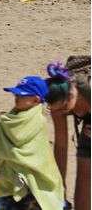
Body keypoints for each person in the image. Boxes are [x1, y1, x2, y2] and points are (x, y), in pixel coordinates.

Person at [0, 76, 64, 210]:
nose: (17, 96)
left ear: (36, 100)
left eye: (22, 95)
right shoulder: (9, 121)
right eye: (16, 93)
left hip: (33, 184)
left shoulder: (37, 121)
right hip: (10, 183)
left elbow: (36, 152)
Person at [46, 58, 91, 210]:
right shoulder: (57, 103)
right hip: (87, 127)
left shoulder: (88, 90)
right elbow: (61, 146)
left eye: (63, 109)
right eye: (55, 110)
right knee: (84, 175)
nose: (59, 113)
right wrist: (60, 187)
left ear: (72, 94)